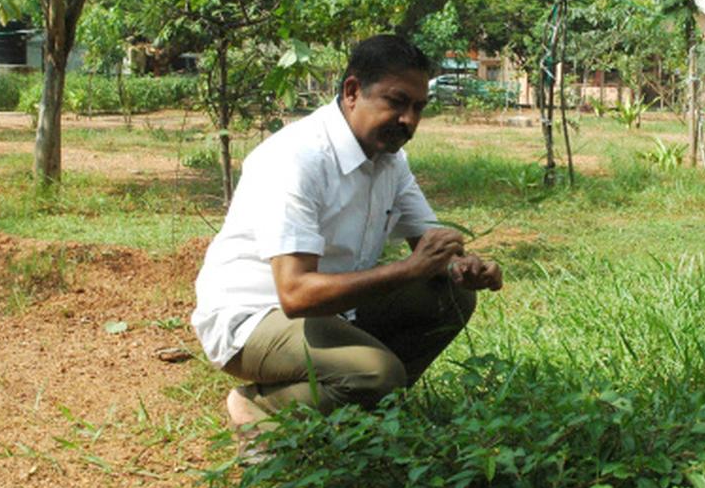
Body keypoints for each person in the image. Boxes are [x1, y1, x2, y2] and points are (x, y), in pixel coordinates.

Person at [192, 34, 503, 430]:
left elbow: (432, 246)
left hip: (333, 312)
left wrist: (466, 267)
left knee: (451, 295)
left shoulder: (389, 160)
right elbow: (295, 293)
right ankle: (259, 408)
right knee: (377, 373)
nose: (409, 119)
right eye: (396, 102)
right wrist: (411, 269)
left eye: (418, 107)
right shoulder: (297, 159)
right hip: (252, 319)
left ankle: (364, 407)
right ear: (353, 91)